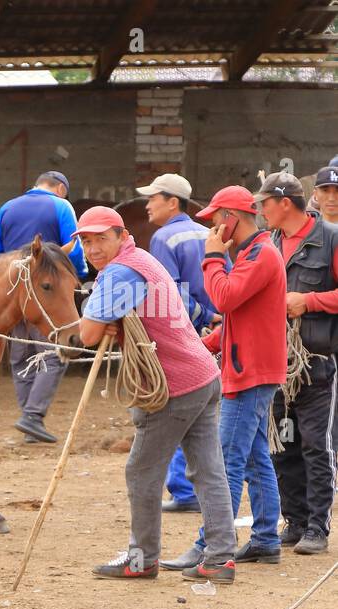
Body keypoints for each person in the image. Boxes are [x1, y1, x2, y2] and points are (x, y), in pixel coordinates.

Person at [73, 206, 236, 583]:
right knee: (208, 471)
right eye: (86, 241)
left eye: (101, 239)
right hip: (204, 375)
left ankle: (142, 559)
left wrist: (100, 311)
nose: (94, 248)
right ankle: (220, 558)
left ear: (120, 235)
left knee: (141, 473)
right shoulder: (142, 258)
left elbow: (87, 335)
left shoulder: (118, 273)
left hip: (174, 385)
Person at [161, 185, 286, 573]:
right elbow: (240, 316)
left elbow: (224, 300)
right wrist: (209, 343)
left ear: (232, 218)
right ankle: (265, 538)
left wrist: (212, 258)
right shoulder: (256, 252)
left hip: (248, 372)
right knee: (253, 457)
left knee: (225, 462)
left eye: (216, 219)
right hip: (249, 367)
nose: (212, 227)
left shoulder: (259, 255)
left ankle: (211, 546)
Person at [257, 172, 338, 555]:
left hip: (317, 362)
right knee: (283, 445)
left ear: (284, 203)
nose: (261, 210)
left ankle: (318, 528)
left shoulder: (331, 239)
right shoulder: (269, 244)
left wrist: (311, 301)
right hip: (277, 363)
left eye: (265, 203)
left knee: (316, 446)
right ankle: (295, 521)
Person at [135, 172, 219, 515]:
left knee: (179, 404)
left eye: (153, 198)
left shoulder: (164, 238)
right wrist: (216, 316)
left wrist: (200, 316)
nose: (147, 204)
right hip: (218, 329)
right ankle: (194, 489)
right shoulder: (207, 233)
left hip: (188, 332)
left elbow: (168, 292)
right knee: (205, 413)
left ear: (173, 202)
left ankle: (184, 491)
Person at [0, 171, 89, 443]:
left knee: (20, 357)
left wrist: (7, 283)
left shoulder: (6, 207)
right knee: (55, 352)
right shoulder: (60, 205)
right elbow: (75, 247)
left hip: (14, 293)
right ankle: (32, 416)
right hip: (46, 294)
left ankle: (29, 421)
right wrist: (77, 275)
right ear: (59, 189)